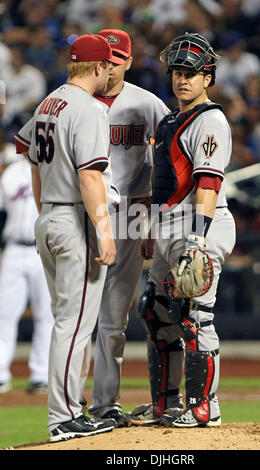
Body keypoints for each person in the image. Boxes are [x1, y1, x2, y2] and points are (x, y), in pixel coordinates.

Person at [124, 32, 236, 427]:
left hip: (200, 224)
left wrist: (196, 240)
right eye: (177, 71)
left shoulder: (211, 119)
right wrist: (153, 231)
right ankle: (167, 404)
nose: (182, 79)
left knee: (194, 317)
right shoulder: (172, 118)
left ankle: (206, 407)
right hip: (170, 225)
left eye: (192, 72)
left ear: (208, 77)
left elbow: (207, 182)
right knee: (155, 312)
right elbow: (163, 185)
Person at [20, 33, 120, 442]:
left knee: (67, 321)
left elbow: (27, 152)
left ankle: (70, 411)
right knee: (73, 324)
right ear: (97, 68)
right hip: (73, 221)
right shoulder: (89, 108)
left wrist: (47, 208)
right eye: (107, 65)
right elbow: (90, 174)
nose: (110, 70)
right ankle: (63, 418)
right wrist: (104, 231)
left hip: (49, 219)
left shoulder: (50, 101)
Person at [86, 28, 170, 426]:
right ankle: (70, 407)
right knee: (77, 317)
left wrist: (153, 222)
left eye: (119, 59)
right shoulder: (74, 99)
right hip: (83, 213)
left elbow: (168, 162)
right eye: (107, 58)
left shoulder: (147, 103)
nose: (112, 65)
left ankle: (104, 404)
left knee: (113, 320)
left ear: (130, 61)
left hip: (132, 215)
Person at [0, 156, 54, 395]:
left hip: (42, 248)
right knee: (4, 313)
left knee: (46, 314)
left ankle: (41, 374)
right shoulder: (11, 172)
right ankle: (0, 373)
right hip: (12, 247)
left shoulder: (53, 168)